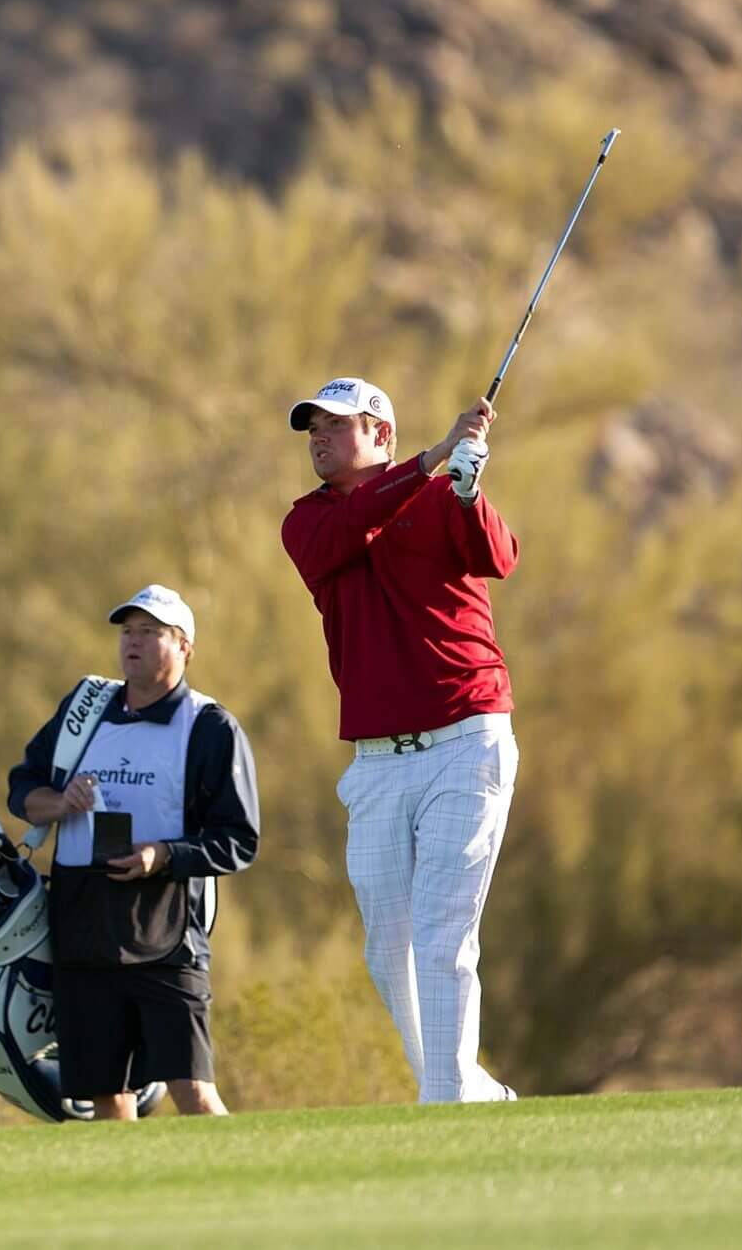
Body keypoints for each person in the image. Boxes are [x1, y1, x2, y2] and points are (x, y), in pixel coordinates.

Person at [279, 375, 520, 1104]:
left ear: (380, 433)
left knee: (442, 933)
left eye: (336, 424)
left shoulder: (441, 494)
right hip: (378, 762)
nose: (318, 436)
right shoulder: (307, 522)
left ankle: (446, 1103)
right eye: (312, 426)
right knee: (389, 950)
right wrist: (431, 462)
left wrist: (469, 491)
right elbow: (344, 539)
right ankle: (463, 1087)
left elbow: (499, 557)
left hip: (465, 739)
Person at [6, 584, 261, 1120]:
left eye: (151, 632)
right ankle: (126, 1204)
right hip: (82, 926)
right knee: (106, 1097)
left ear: (185, 647)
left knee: (192, 1089)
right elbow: (22, 789)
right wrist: (58, 802)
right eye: (128, 632)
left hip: (167, 935)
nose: (134, 643)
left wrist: (163, 856)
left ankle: (241, 1195)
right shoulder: (85, 710)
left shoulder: (210, 726)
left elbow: (238, 840)